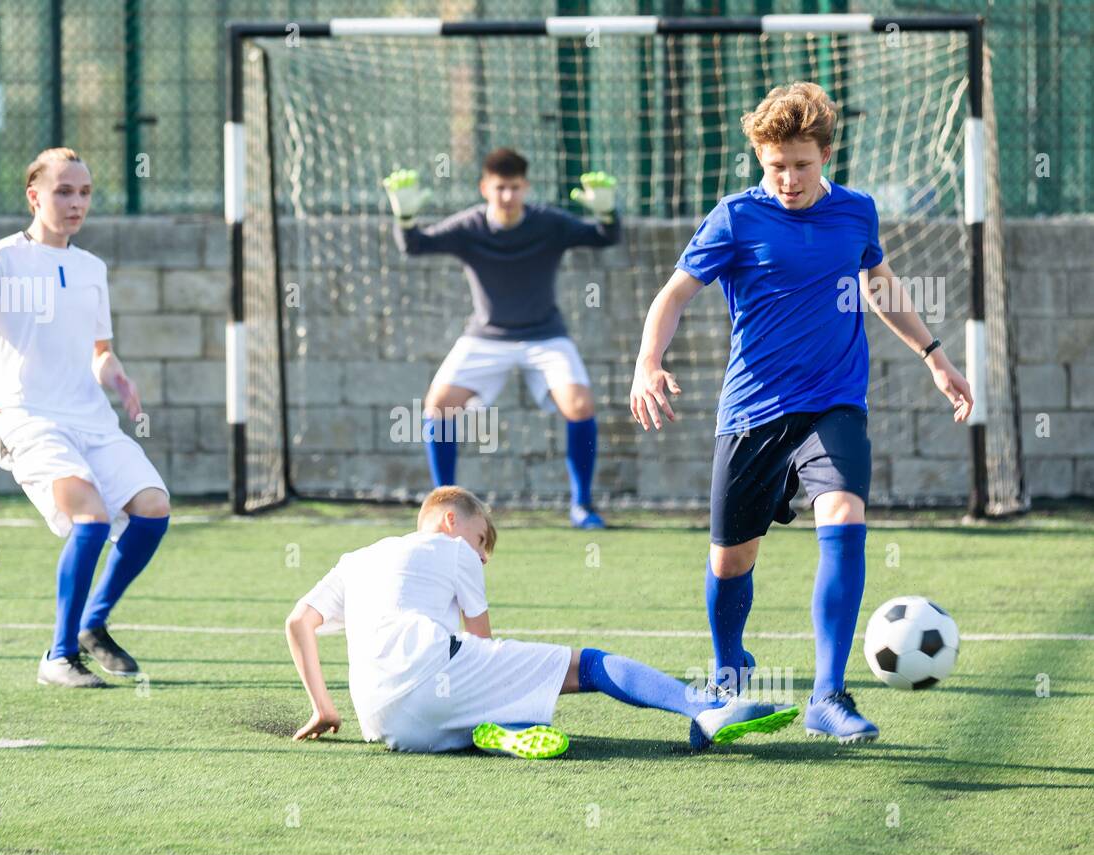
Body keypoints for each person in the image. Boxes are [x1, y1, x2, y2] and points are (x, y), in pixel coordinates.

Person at [630, 83, 974, 744]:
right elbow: (673, 295)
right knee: (731, 562)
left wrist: (934, 354)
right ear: (761, 160)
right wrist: (648, 361)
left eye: (802, 165)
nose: (788, 178)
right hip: (753, 412)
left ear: (825, 156)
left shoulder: (857, 213)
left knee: (843, 514)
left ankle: (827, 693)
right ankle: (729, 670)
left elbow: (877, 282)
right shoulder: (735, 216)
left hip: (834, 403)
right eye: (775, 166)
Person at [283, 486, 799, 758]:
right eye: (482, 539)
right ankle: (707, 707)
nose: (483, 556)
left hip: (383, 724)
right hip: (432, 676)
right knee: (591, 664)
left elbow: (298, 623)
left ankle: (497, 731)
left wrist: (325, 709)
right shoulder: (449, 548)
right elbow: (481, 641)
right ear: (449, 521)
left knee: (481, 685)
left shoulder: (356, 559)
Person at [0, 147, 171, 688]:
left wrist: (117, 376)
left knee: (154, 509)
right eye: (64, 191)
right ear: (34, 195)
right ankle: (58, 656)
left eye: (85, 192)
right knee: (89, 518)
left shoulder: (92, 269)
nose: (76, 202)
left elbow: (99, 350)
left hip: (91, 420)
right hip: (27, 418)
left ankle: (93, 625)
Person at [384, 148, 620, 528]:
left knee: (580, 405)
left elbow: (604, 237)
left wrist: (608, 213)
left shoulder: (548, 223)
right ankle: (443, 514)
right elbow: (414, 245)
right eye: (499, 188)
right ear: (484, 188)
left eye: (514, 187)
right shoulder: (468, 227)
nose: (507, 196)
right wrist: (405, 218)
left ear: (525, 187)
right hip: (486, 337)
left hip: (545, 336)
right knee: (439, 405)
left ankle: (582, 506)